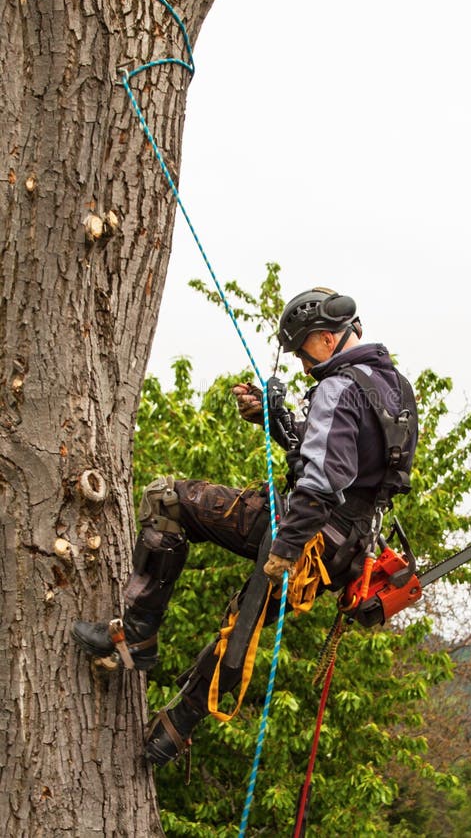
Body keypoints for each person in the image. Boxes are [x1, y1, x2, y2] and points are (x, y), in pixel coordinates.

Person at [71, 287, 418, 766]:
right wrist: (270, 418)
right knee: (243, 620)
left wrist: (286, 548)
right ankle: (169, 735)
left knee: (166, 499)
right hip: (347, 550)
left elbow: (321, 479)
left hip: (307, 533)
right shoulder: (393, 386)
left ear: (322, 338)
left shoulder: (339, 388)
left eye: (301, 351)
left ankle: (136, 633)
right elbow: (345, 459)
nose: (300, 363)